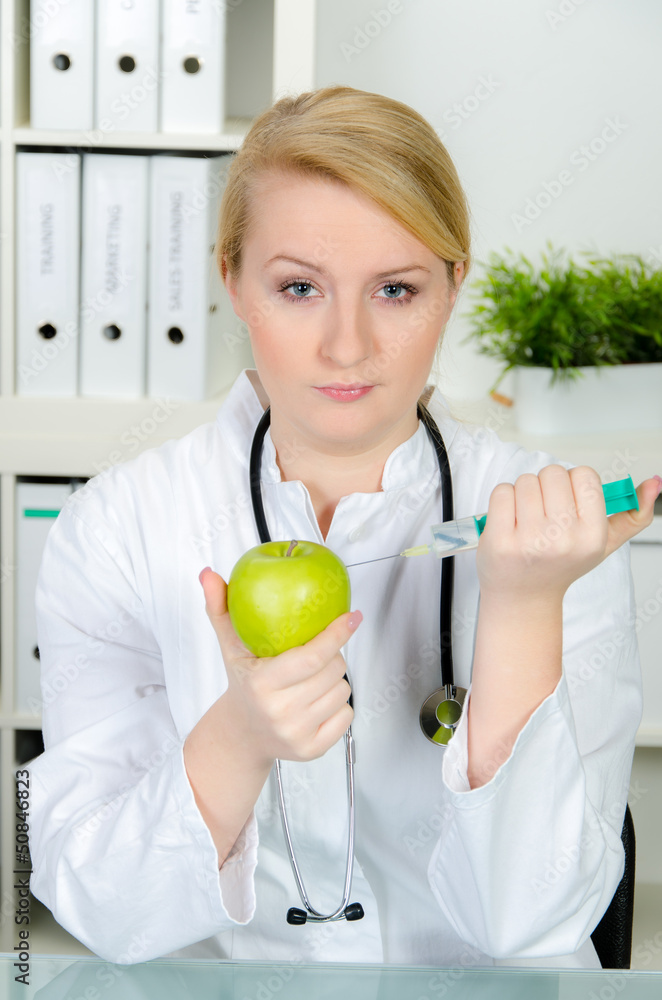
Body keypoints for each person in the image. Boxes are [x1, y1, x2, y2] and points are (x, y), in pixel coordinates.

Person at [28, 85, 659, 969]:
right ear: (231, 281)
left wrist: (522, 607)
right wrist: (239, 736)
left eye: (396, 290)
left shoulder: (549, 528)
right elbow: (100, 907)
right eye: (299, 288)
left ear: (454, 286)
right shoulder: (118, 526)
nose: (347, 345)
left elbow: (533, 925)